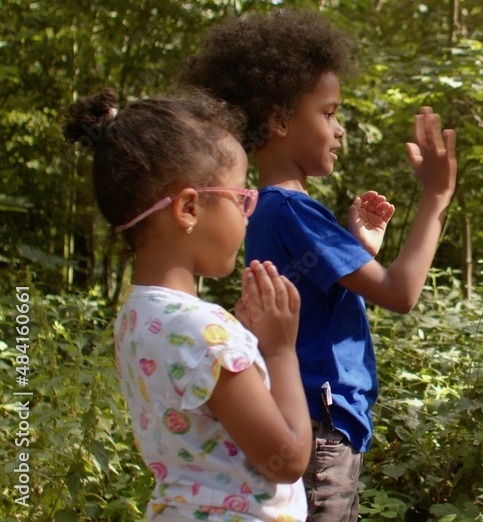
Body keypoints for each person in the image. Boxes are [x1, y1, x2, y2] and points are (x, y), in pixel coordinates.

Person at [177, 10, 458, 521]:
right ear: (280, 120)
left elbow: (310, 292)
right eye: (328, 113)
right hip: (321, 425)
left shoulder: (265, 207)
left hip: (305, 416)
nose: (340, 130)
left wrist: (356, 248)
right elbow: (400, 292)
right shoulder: (294, 210)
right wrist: (436, 197)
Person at [64, 88, 311, 521]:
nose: (247, 212)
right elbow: (288, 460)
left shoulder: (137, 316)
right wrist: (278, 349)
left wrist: (242, 339)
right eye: (240, 198)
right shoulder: (202, 329)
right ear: (189, 208)